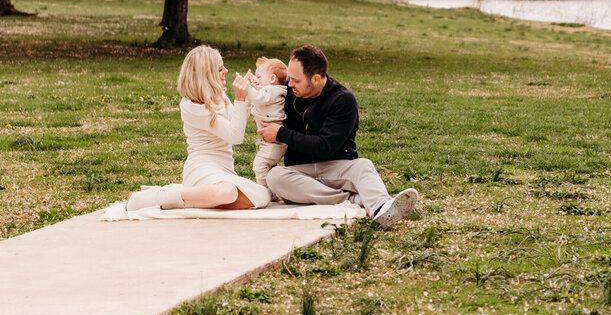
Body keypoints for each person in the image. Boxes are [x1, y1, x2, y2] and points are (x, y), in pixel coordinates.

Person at [258, 45, 418, 227]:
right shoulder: (288, 92)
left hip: (336, 167)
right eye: (289, 79)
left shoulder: (342, 100)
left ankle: (382, 208)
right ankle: (353, 199)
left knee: (363, 166)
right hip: (300, 172)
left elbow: (325, 146)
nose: (290, 84)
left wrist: (281, 134)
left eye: (296, 80)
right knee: (275, 177)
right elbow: (265, 98)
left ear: (316, 79)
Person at [125, 45, 271, 211]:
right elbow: (235, 136)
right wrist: (240, 97)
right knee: (228, 193)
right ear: (207, 75)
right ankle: (160, 197)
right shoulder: (193, 106)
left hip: (223, 168)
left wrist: (248, 95)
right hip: (202, 168)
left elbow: (234, 123)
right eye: (220, 69)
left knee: (261, 196)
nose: (226, 71)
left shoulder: (217, 94)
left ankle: (179, 196)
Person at [244, 56, 289, 190]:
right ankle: (274, 192)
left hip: (275, 142)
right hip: (272, 141)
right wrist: (253, 84)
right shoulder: (272, 91)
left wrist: (246, 86)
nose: (257, 79)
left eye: (259, 76)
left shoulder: (272, 91)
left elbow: (258, 97)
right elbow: (258, 94)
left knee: (259, 165)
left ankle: (265, 192)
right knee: (269, 168)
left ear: (272, 79)